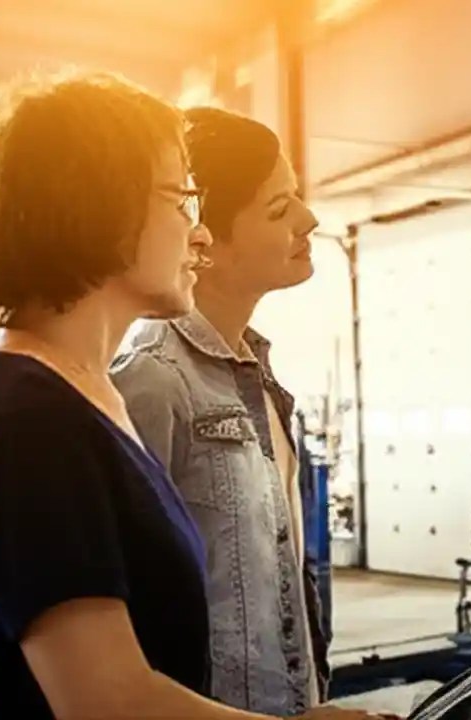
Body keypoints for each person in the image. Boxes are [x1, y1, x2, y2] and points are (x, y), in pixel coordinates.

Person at [0, 71, 385, 720]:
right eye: (183, 201)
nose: (198, 235)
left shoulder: (83, 401)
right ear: (103, 208)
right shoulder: (30, 417)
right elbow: (105, 700)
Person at [111, 107, 332, 716]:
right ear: (204, 236)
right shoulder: (151, 383)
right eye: (279, 207)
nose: (309, 219)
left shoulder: (257, 376)